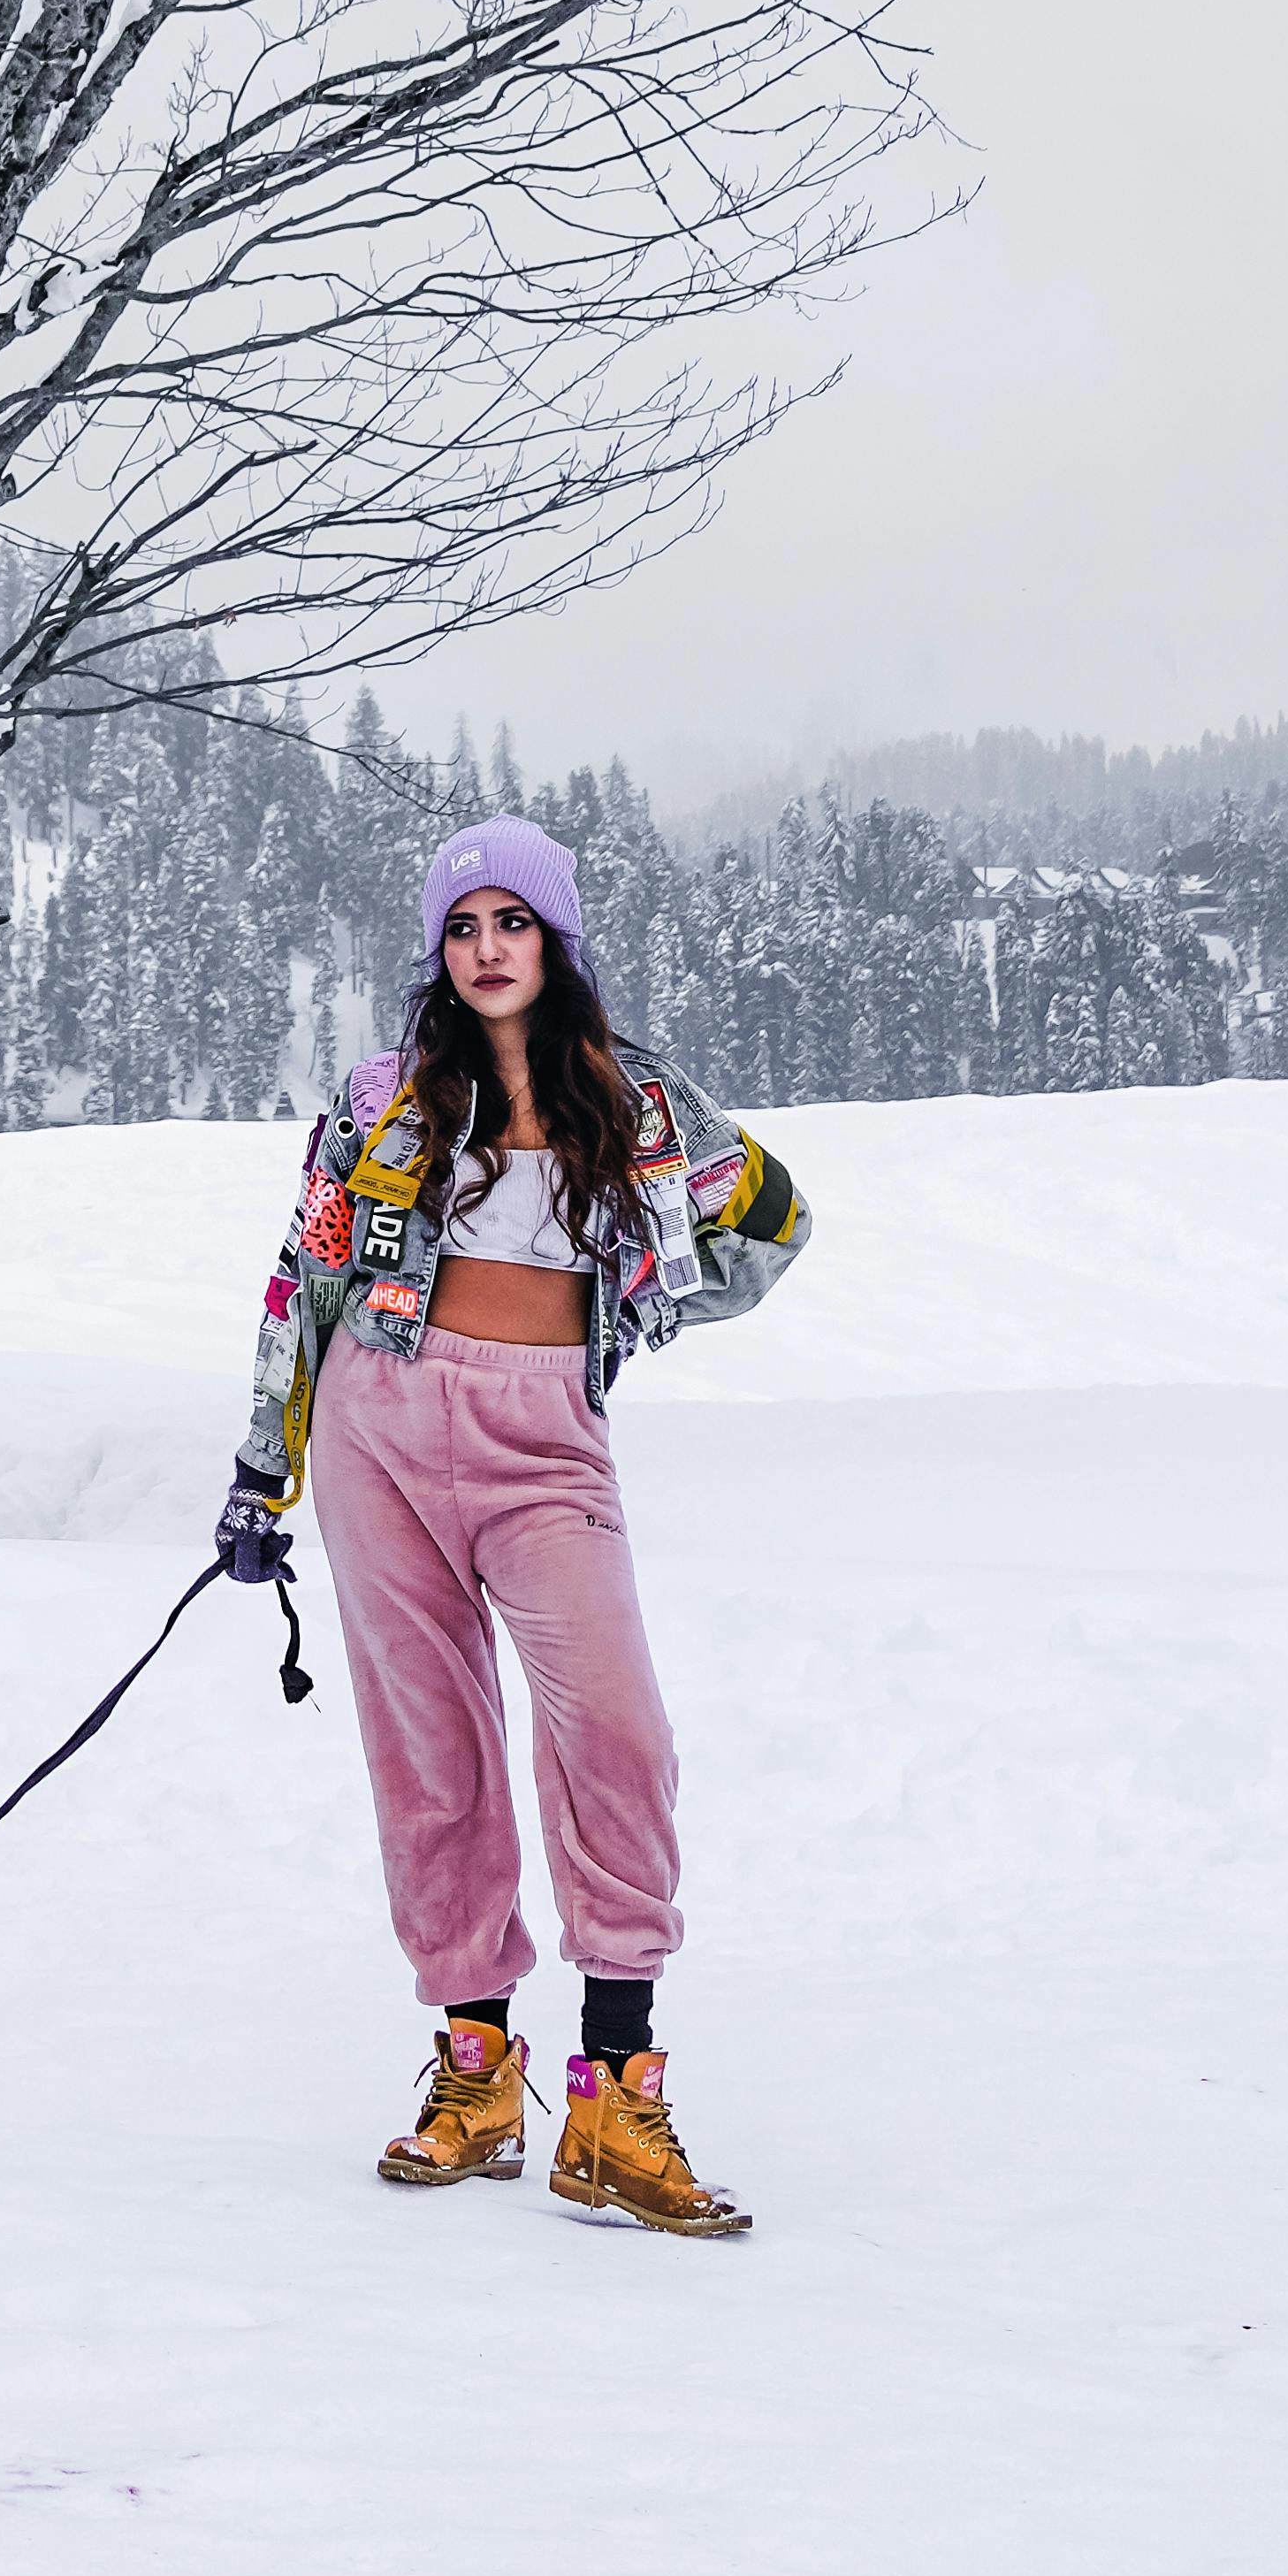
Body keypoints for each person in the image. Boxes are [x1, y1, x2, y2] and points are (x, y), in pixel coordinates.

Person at [212, 818, 810, 2219]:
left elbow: (775, 1224)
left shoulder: (641, 1102)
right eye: (464, 927)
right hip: (379, 1427)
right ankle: (475, 2073)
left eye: (513, 922)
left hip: (548, 1443)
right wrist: (262, 1468)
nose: (488, 950)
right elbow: (304, 1281)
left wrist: (645, 1304)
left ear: (556, 938)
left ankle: (616, 2097)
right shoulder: (383, 1102)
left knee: (618, 1735)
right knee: (433, 1753)